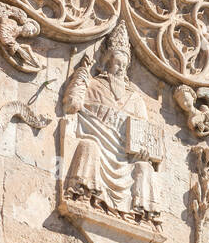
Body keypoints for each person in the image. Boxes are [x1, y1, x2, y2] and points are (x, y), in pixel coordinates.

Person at [62, 22, 161, 219]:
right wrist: (81, 74)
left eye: (125, 65)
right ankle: (85, 195)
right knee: (89, 147)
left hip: (126, 158)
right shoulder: (93, 86)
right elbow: (72, 105)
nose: (121, 68)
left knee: (144, 168)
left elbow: (146, 137)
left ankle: (143, 215)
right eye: (117, 62)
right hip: (100, 147)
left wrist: (145, 153)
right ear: (106, 61)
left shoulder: (136, 99)